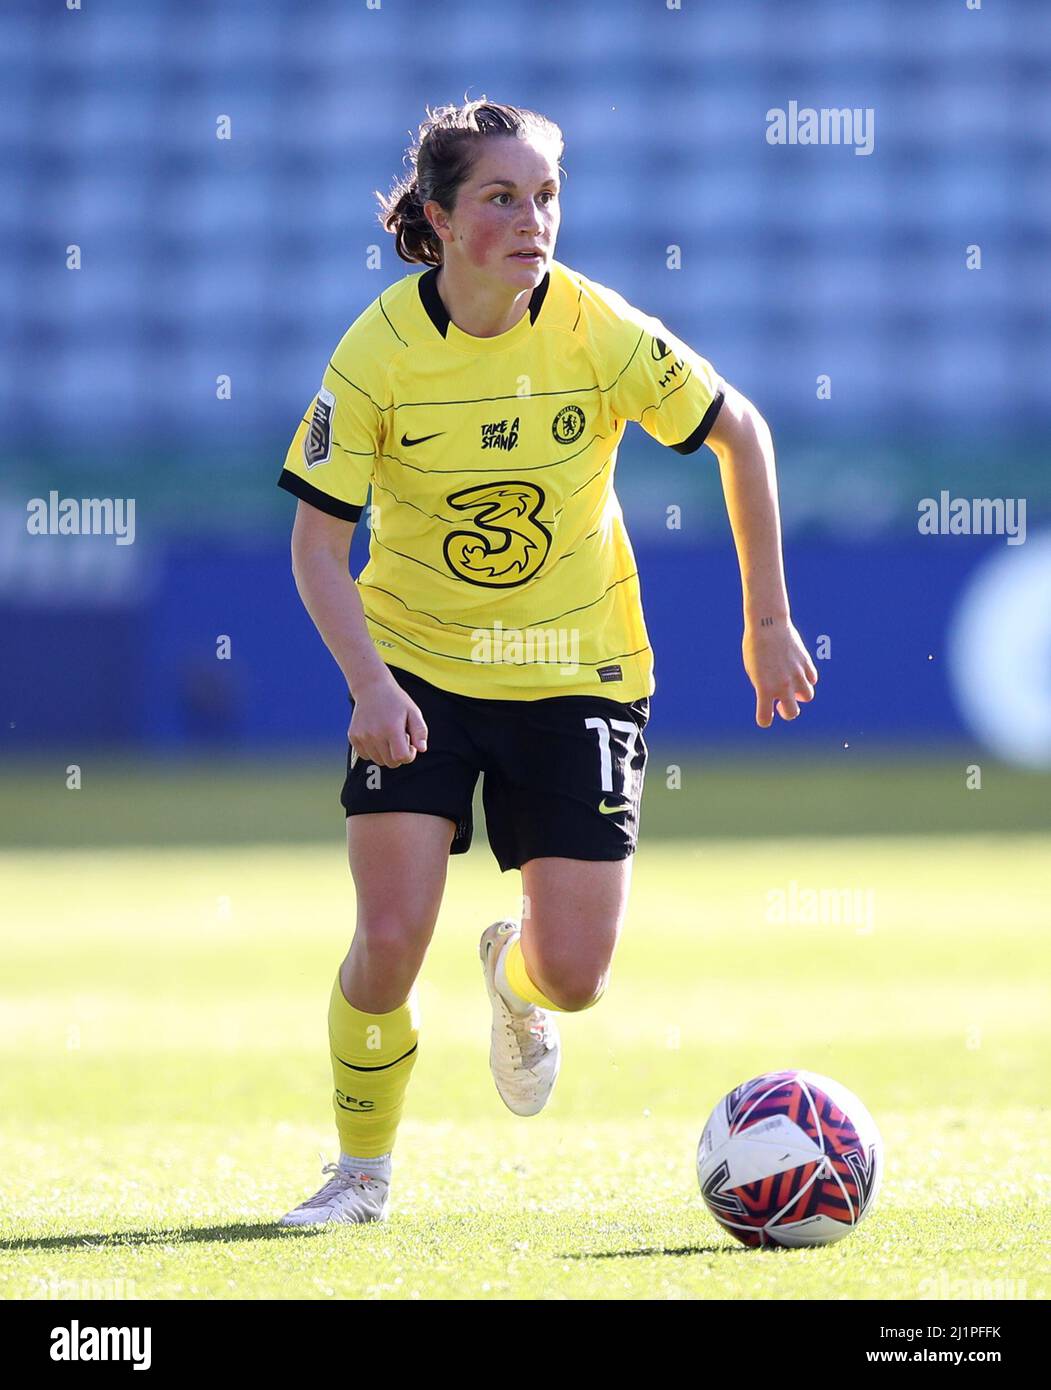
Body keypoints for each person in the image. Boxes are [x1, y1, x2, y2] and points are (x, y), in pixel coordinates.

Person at [275, 98, 818, 1225]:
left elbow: (740, 431)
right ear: (436, 218)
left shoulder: (593, 328)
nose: (535, 220)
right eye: (502, 197)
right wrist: (370, 684)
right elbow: (318, 545)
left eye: (548, 196)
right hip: (418, 667)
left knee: (574, 975)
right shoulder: (375, 352)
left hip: (581, 668)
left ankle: (510, 978)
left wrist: (765, 620)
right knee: (385, 937)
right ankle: (360, 1173)